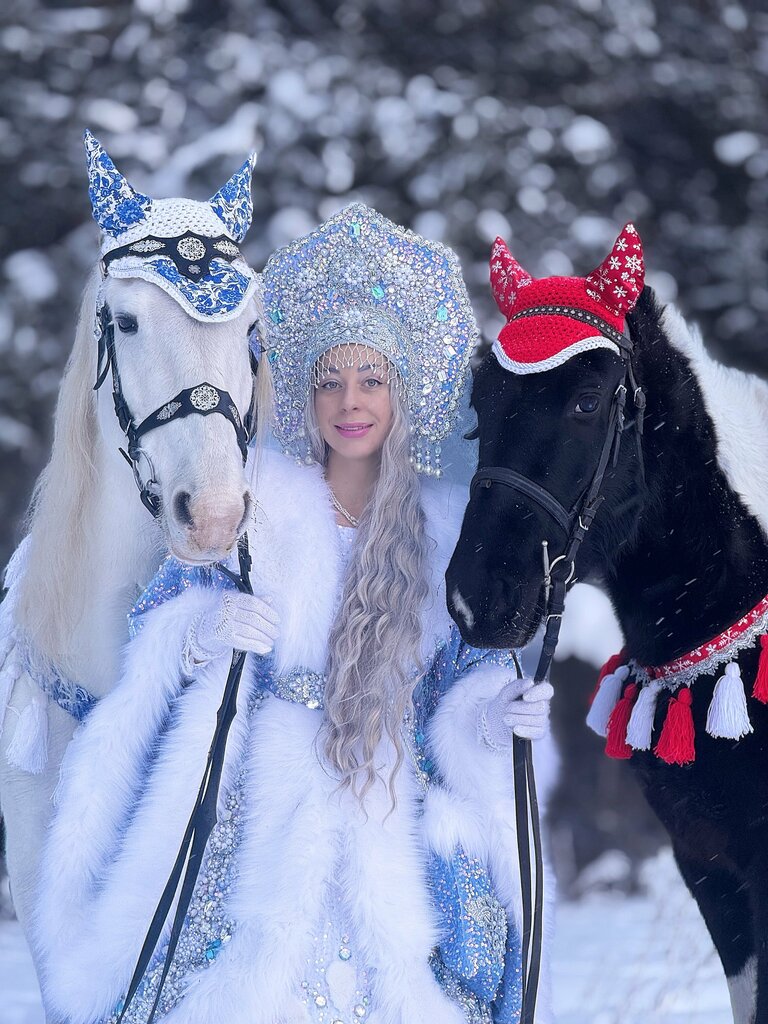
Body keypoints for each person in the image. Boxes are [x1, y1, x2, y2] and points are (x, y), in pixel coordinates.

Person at [33, 204, 555, 1024]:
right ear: (304, 395)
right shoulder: (255, 502)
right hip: (263, 806)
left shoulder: (446, 530)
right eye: (329, 381)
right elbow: (160, 621)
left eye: (371, 380)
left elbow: (464, 674)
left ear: (400, 393)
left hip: (395, 806)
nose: (350, 402)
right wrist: (199, 631)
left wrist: (491, 717)